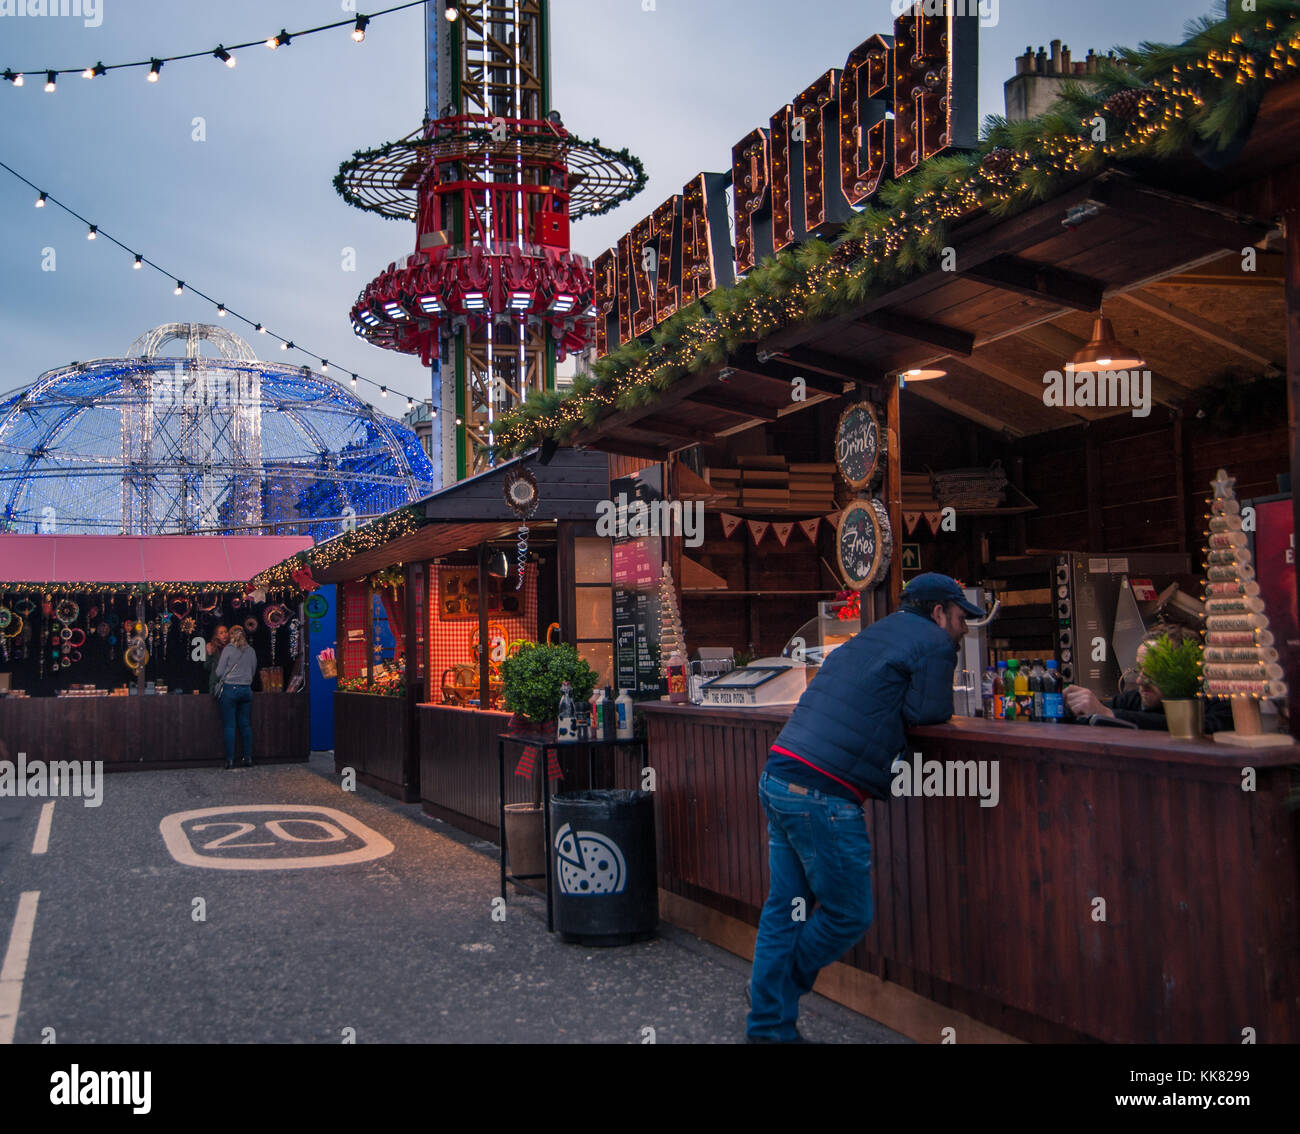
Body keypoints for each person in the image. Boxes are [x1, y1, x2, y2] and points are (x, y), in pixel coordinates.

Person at [745, 572, 981, 1043]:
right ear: (938, 613)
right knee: (849, 914)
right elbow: (929, 712)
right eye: (960, 618)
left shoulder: (871, 635)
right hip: (824, 794)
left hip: (779, 773)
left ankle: (768, 1024)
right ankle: (781, 986)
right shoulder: (934, 643)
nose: (964, 629)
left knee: (785, 908)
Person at [1064, 626, 1231, 732]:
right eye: (1139, 670)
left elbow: (1196, 729)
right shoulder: (1135, 700)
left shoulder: (1215, 705)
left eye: (1152, 671)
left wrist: (1107, 714)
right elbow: (1093, 713)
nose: (1140, 681)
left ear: (1183, 670)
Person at [214, 625, 258, 769]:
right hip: (246, 690)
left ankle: (231, 760)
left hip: (230, 690)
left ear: (232, 636)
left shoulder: (228, 650)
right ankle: (248, 758)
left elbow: (219, 672)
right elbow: (252, 671)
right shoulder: (251, 650)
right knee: (245, 725)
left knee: (230, 725)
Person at [204, 625, 230, 694]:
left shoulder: (232, 647)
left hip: (230, 683)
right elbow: (207, 667)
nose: (224, 634)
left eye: (225, 632)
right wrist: (209, 654)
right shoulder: (213, 648)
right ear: (217, 636)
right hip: (216, 684)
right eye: (221, 633)